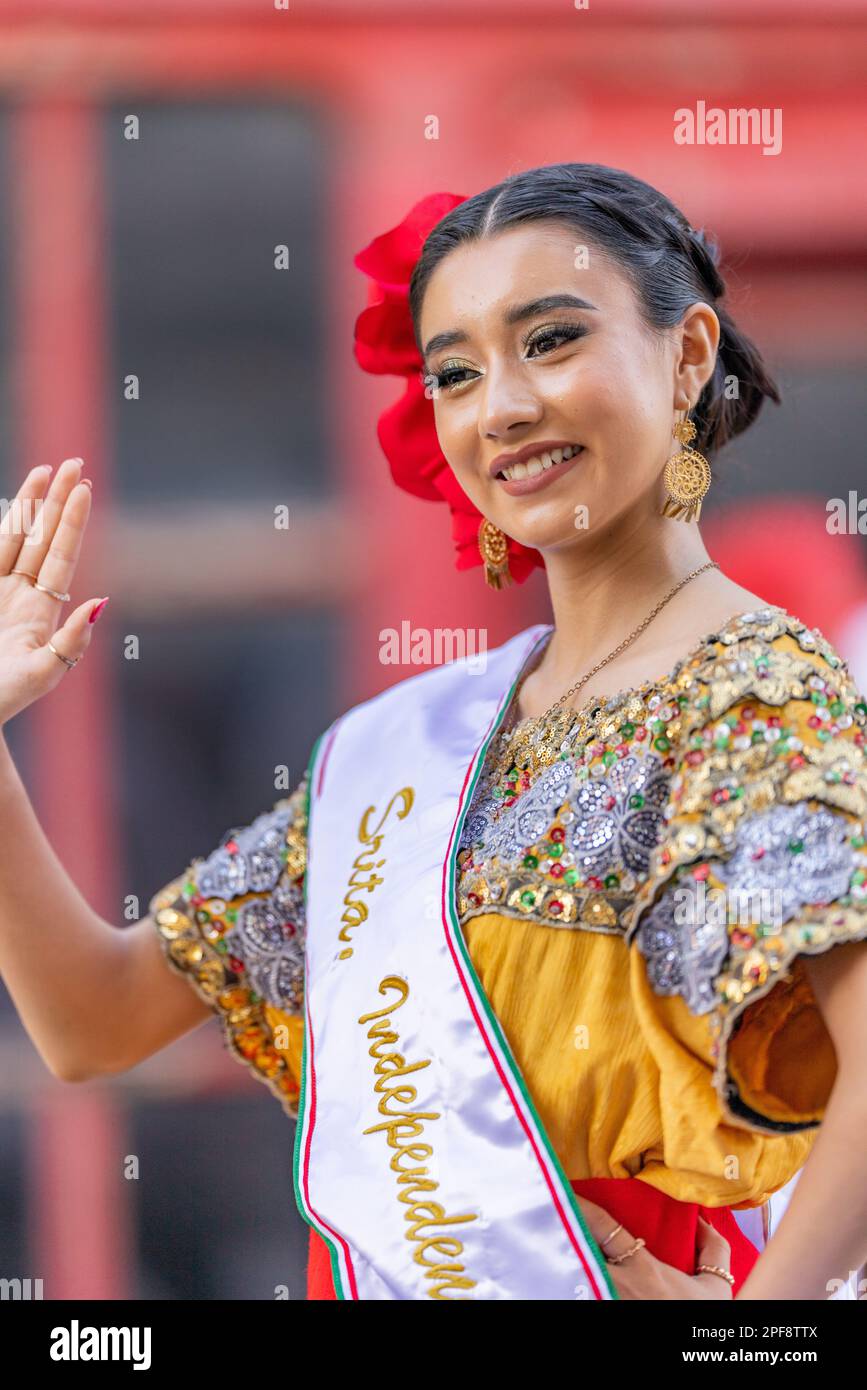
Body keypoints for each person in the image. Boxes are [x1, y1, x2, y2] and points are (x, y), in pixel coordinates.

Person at [1, 163, 865, 1301]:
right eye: (455, 370)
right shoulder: (411, 750)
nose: (501, 406)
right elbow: (93, 1020)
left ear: (690, 353)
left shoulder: (758, 693)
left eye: (551, 340)